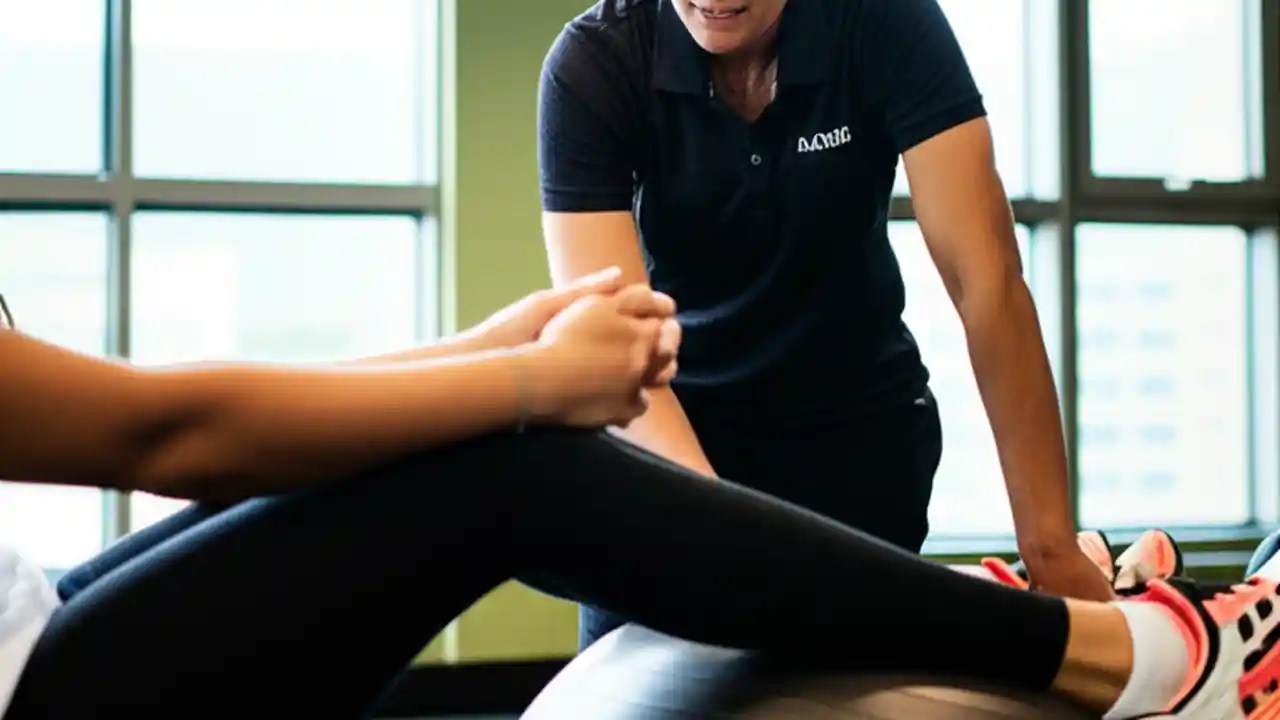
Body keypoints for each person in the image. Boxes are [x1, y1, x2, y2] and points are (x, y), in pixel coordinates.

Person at [0, 277, 1274, 720]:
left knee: (476, 438)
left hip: (36, 627)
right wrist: (524, 381)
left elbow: (173, 409)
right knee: (522, 463)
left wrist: (486, 348)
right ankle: (1129, 658)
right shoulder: (602, 63)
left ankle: (1034, 628)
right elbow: (171, 434)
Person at [535, 0, 1113, 648]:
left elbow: (987, 284)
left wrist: (1050, 548)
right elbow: (617, 350)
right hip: (670, 444)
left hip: (855, 448)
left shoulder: (881, 21)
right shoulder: (596, 61)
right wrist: (718, 542)